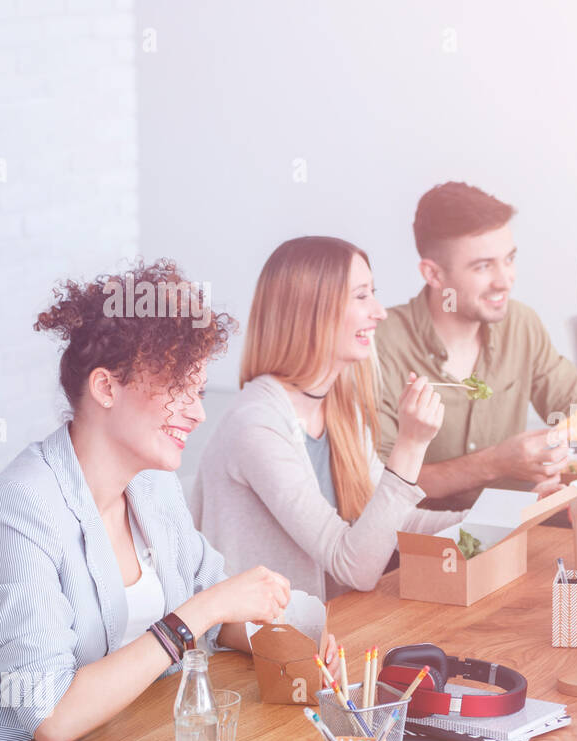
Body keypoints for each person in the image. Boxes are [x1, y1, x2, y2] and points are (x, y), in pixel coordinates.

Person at [0, 260, 298, 741]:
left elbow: (216, 608)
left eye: (199, 391)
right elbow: (51, 718)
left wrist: (298, 647)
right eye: (179, 387)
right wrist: (202, 611)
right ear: (106, 388)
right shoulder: (17, 512)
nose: (199, 413)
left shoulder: (151, 485)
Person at [191, 237, 464, 602]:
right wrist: (411, 445)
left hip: (330, 636)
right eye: (361, 296)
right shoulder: (257, 425)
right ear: (310, 310)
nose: (380, 312)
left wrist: (506, 517)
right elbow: (355, 566)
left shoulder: (339, 409)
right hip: (264, 648)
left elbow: (392, 524)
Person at [373, 183, 577, 510]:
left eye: (509, 259)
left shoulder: (520, 324)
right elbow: (379, 480)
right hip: (420, 544)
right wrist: (494, 463)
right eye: (483, 266)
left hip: (518, 528)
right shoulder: (380, 344)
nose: (505, 280)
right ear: (433, 274)